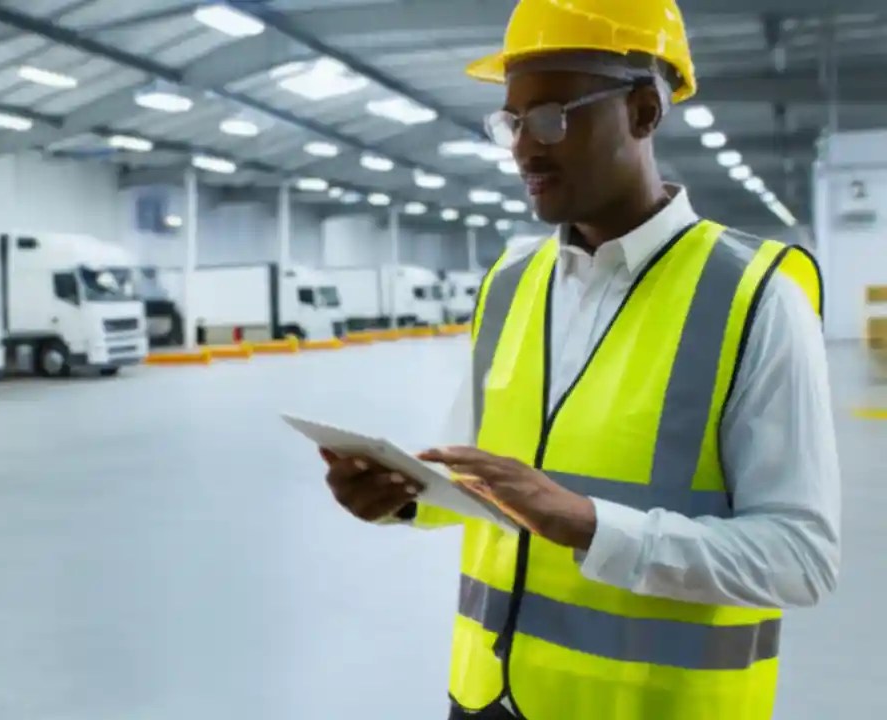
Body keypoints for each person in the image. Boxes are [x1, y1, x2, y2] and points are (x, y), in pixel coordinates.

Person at [320, 1, 841, 718]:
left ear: (644, 111)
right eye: (511, 122)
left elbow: (800, 558)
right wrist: (404, 495)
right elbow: (476, 477)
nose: (523, 149)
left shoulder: (757, 297)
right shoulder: (510, 281)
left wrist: (592, 525)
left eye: (552, 117)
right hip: (485, 698)